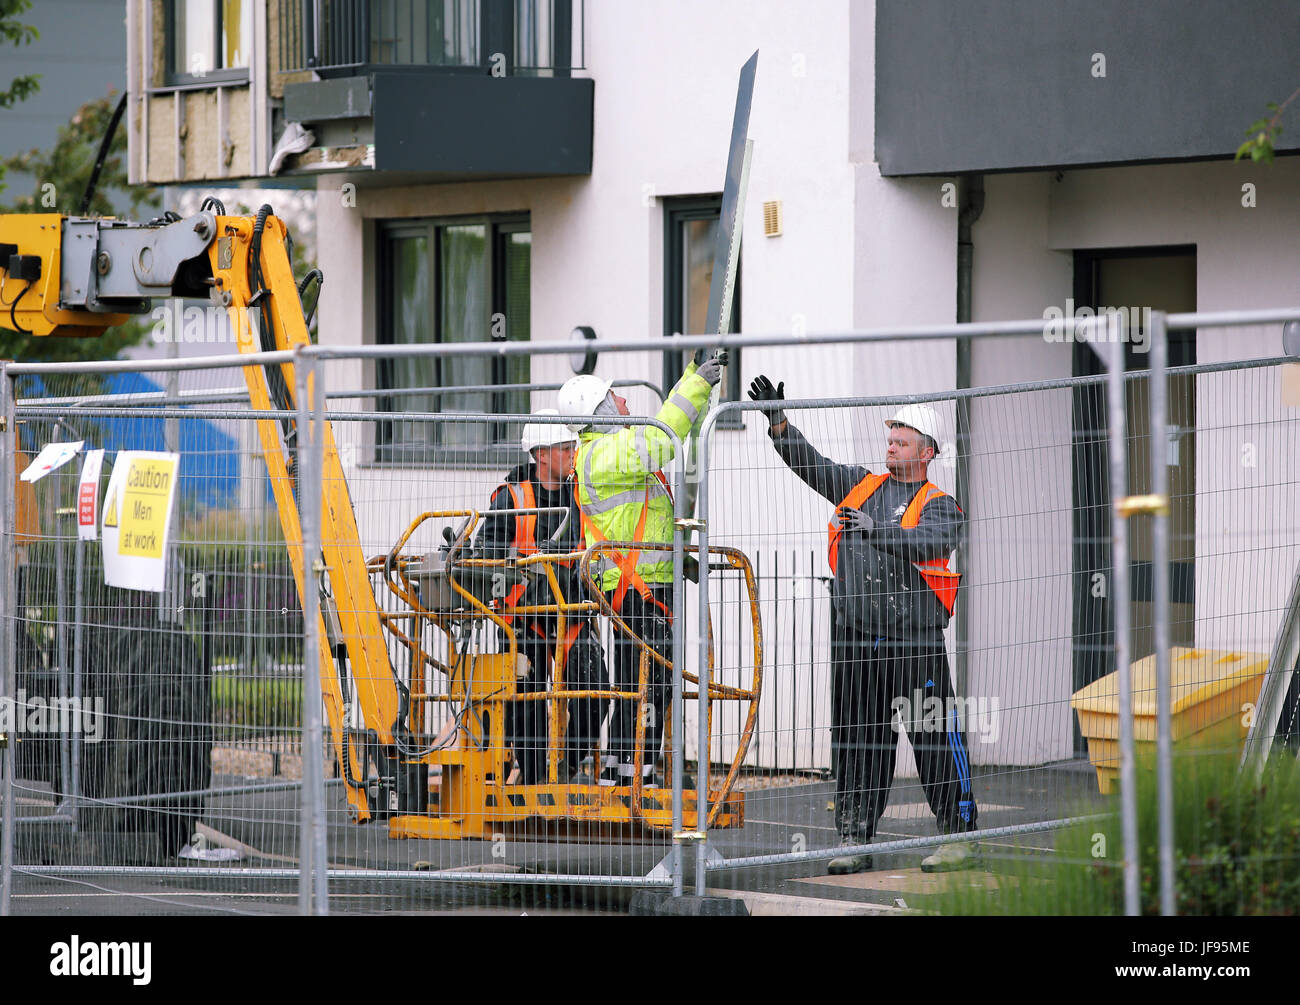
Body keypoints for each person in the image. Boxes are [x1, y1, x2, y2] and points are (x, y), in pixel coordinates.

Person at [749, 375, 979, 874]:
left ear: (926, 453)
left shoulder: (940, 503)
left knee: (935, 736)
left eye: (901, 441)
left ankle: (960, 836)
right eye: (890, 439)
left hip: (913, 644)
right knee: (857, 740)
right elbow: (813, 468)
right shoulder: (859, 485)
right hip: (855, 639)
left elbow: (933, 544)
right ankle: (853, 838)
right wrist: (779, 424)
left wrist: (882, 532)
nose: (891, 446)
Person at [559, 352, 725, 787]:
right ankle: (637, 779)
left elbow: (671, 434)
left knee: (645, 680)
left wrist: (695, 379)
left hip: (642, 584)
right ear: (601, 410)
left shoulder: (609, 452)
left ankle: (623, 772)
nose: (625, 401)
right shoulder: (604, 454)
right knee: (648, 682)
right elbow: (664, 439)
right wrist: (695, 386)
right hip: (638, 587)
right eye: (615, 396)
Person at [475, 410, 606, 784]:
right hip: (522, 618)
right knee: (525, 702)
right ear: (542, 455)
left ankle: (563, 766)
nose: (573, 455)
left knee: (597, 689)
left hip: (570, 614)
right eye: (565, 448)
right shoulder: (512, 499)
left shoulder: (581, 497)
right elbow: (486, 552)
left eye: (573, 447)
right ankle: (532, 781)